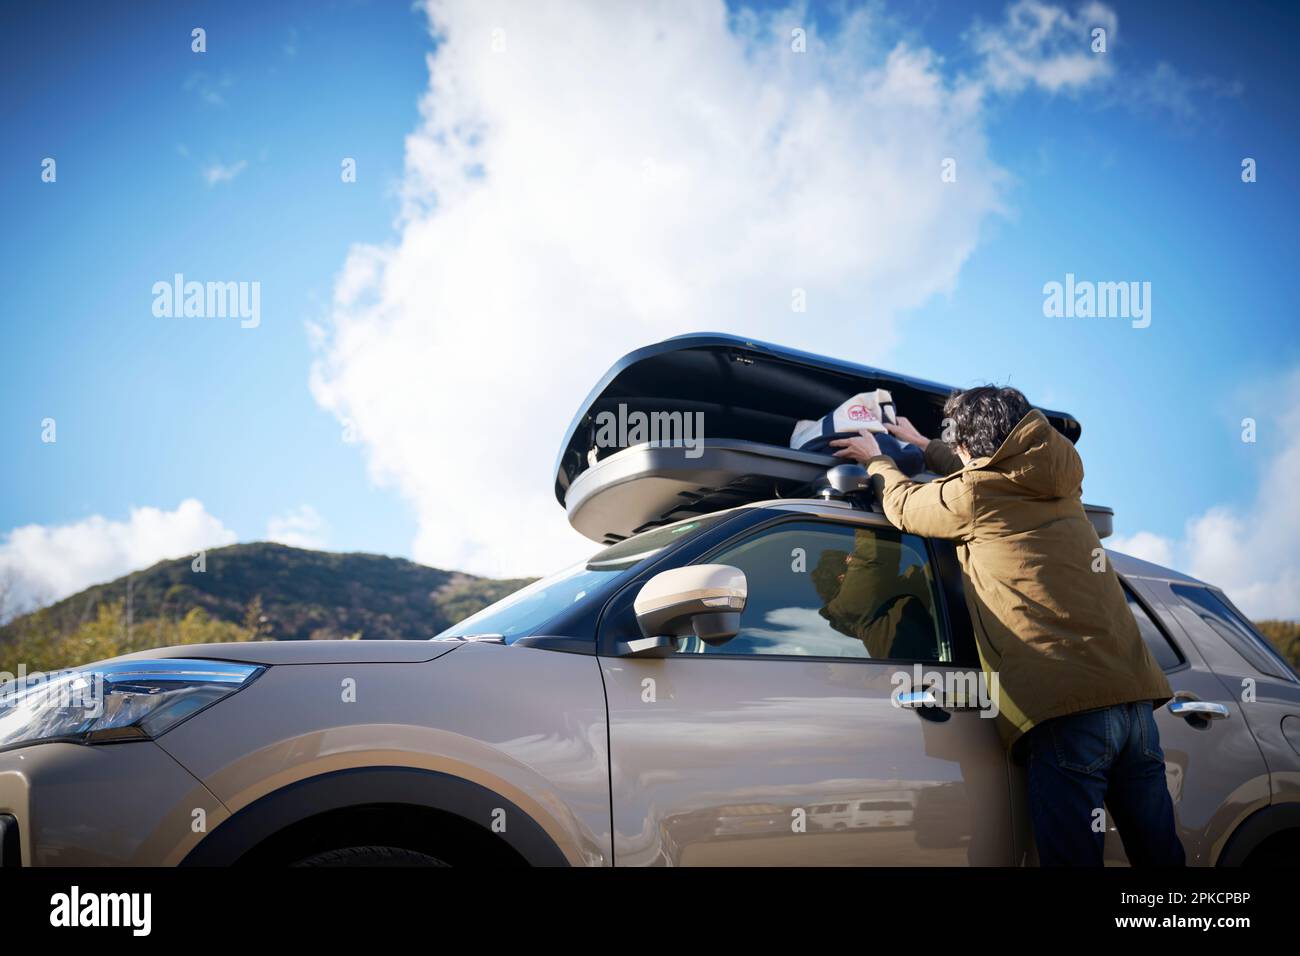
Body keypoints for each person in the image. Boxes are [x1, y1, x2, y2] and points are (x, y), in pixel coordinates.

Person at [829, 385, 1185, 867]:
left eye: (956, 445)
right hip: (1134, 706)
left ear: (970, 449)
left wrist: (878, 461)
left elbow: (905, 507)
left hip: (1067, 706)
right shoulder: (1057, 481)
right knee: (1159, 855)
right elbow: (988, 476)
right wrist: (921, 444)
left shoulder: (976, 496)